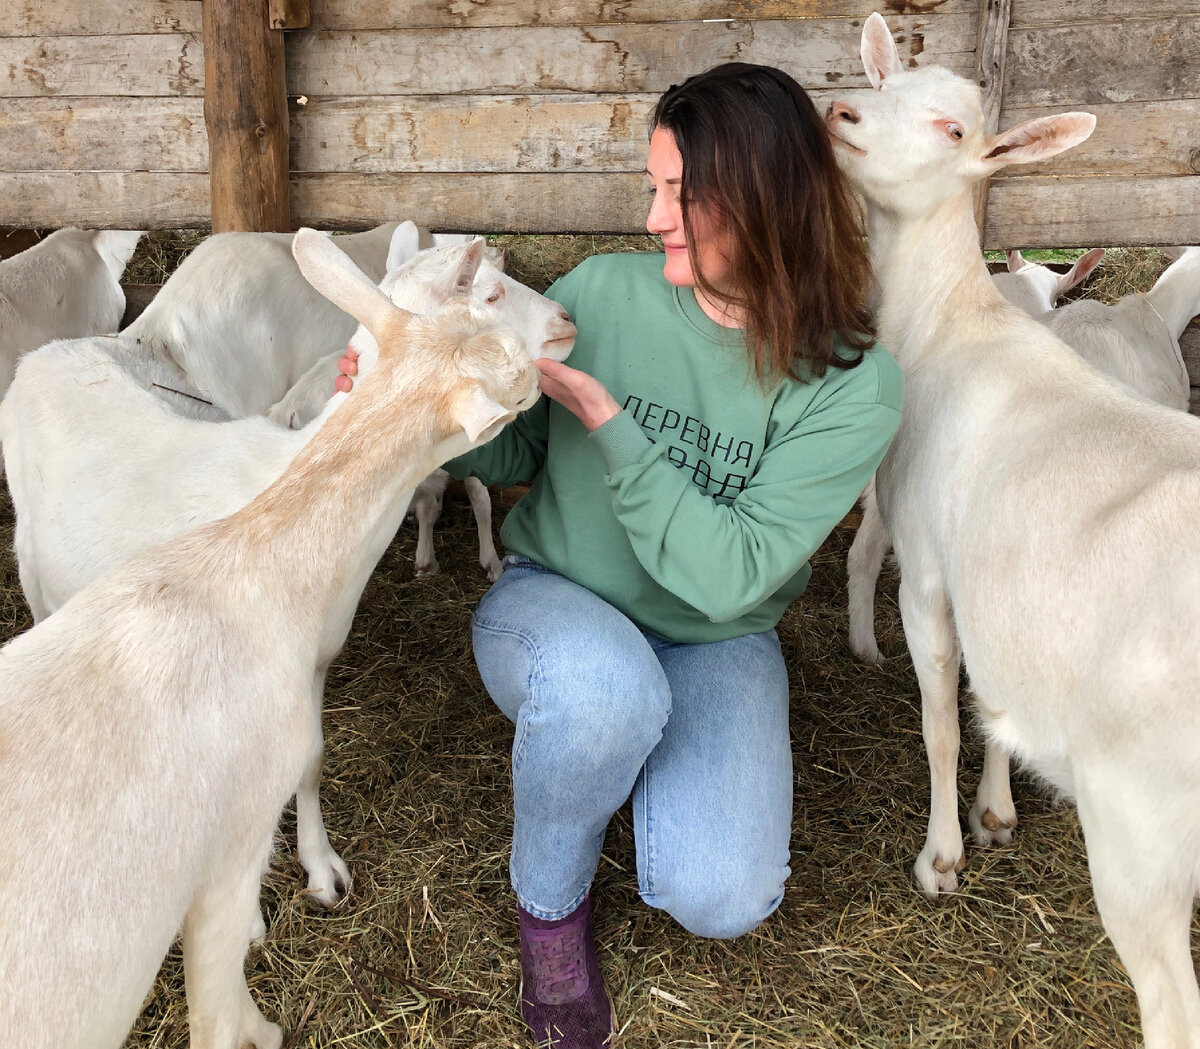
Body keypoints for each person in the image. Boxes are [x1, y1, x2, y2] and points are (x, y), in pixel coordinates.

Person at [340, 62, 902, 1049]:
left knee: (724, 892)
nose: (652, 218)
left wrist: (610, 419)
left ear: (767, 201)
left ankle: (618, 755)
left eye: (680, 194)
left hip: (714, 633)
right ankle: (551, 913)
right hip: (555, 597)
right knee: (607, 692)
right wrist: (405, 389)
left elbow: (736, 572)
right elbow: (516, 449)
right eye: (653, 188)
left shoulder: (853, 385)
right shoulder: (600, 291)